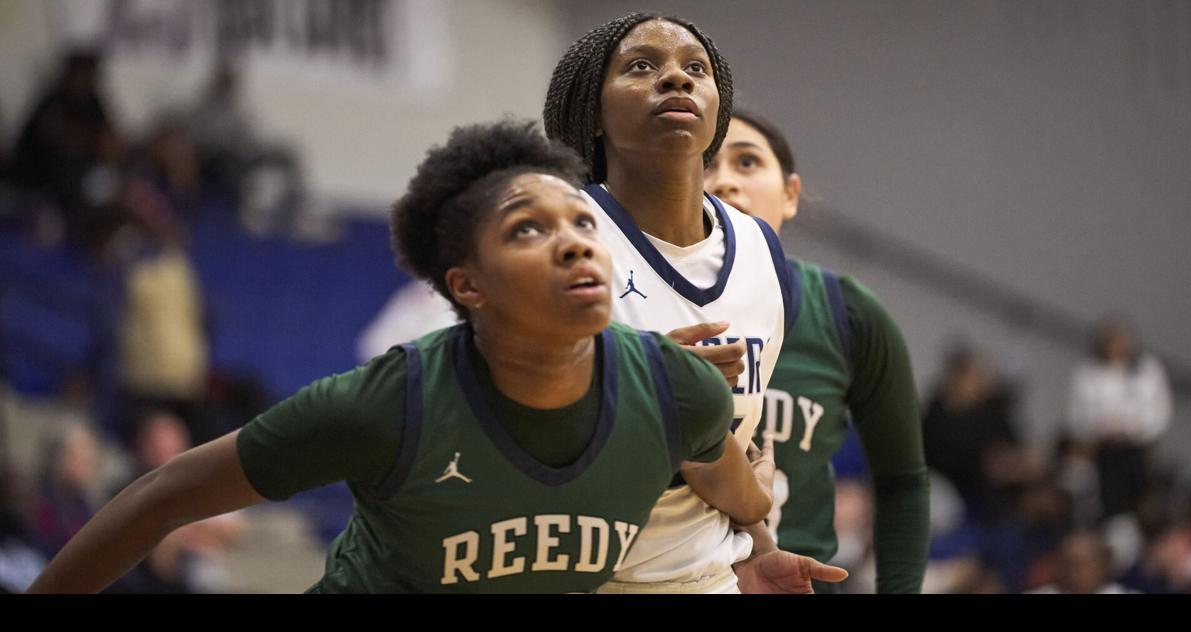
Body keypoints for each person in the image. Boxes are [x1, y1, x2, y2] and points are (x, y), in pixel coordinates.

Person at [29, 119, 767, 593]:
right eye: (526, 229)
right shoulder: (390, 404)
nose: (576, 240)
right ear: (465, 285)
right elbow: (162, 495)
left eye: (582, 220)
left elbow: (730, 482)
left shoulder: (676, 390)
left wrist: (762, 544)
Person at [543, 12, 844, 594]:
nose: (675, 79)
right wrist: (642, 392)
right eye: (641, 66)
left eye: (695, 69)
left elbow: (734, 435)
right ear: (594, 112)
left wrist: (757, 547)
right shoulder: (561, 234)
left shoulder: (759, 248)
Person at [703, 110, 930, 593]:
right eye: (704, 164)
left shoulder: (848, 313)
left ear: (790, 195)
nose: (723, 181)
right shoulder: (637, 308)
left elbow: (902, 481)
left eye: (746, 162)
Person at [1064, 315, 1172, 519]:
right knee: (1102, 502)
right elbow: (1077, 415)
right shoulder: (1088, 372)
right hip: (1101, 450)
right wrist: (1099, 430)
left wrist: (1133, 430)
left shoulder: (1147, 370)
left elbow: (1159, 412)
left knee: (1142, 503)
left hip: (1137, 449)